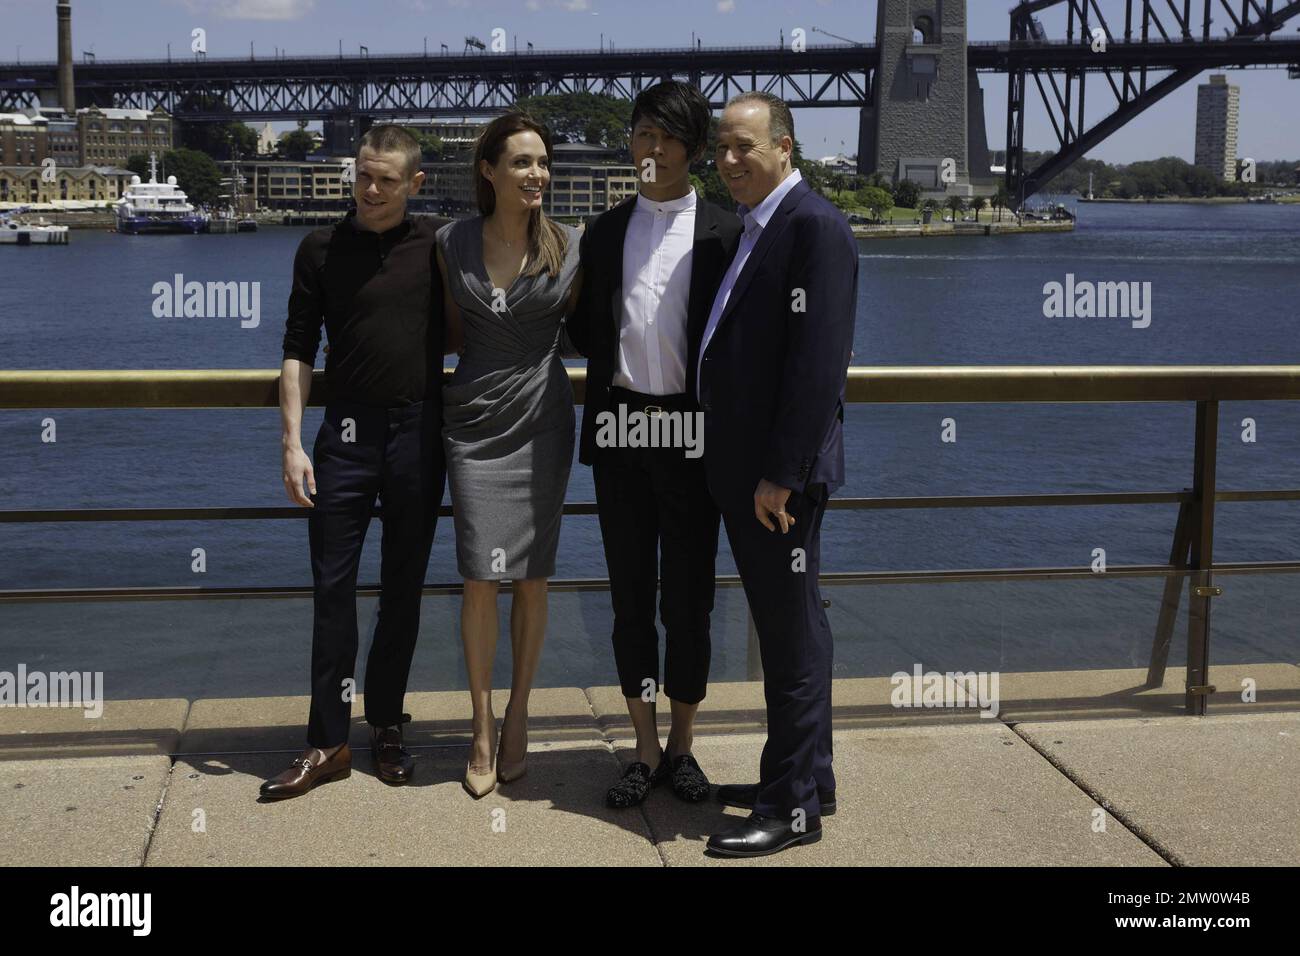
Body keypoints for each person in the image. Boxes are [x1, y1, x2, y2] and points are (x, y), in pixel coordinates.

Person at [262, 125, 451, 799]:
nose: (371, 190)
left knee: (403, 591)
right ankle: (327, 741)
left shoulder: (438, 246)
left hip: (419, 434)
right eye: (363, 176)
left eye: (387, 180)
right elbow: (296, 348)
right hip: (341, 437)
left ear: (415, 184)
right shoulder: (320, 248)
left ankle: (388, 727)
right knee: (332, 590)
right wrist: (290, 442)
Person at [567, 81, 742, 808]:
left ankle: (683, 745)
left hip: (692, 433)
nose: (654, 148)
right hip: (621, 427)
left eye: (670, 137)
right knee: (631, 598)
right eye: (643, 133)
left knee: (691, 602)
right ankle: (642, 747)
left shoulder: (728, 233)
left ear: (694, 150)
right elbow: (580, 332)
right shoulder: (603, 232)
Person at [696, 92, 858, 857]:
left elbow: (818, 367)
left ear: (785, 148)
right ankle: (803, 779)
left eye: (745, 148)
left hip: (776, 483)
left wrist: (780, 476)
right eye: (721, 149)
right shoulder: (760, 228)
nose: (728, 162)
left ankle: (792, 811)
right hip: (754, 471)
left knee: (790, 641)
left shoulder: (813, 227)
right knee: (801, 629)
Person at [433, 112, 582, 798]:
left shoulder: (569, 245)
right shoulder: (448, 243)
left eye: (543, 162)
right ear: (488, 171)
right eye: (521, 162)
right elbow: (447, 331)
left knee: (532, 577)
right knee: (477, 577)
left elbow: (600, 326)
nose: (537, 174)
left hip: (543, 422)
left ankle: (520, 713)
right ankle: (482, 725)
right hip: (471, 425)